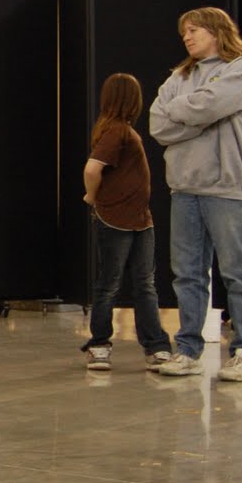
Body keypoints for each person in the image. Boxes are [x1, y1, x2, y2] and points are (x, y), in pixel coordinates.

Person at [148, 8, 242, 381]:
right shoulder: (179, 76)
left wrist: (191, 112)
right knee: (188, 274)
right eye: (184, 34)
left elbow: (209, 105)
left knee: (236, 271)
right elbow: (158, 124)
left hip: (229, 186)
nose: (188, 38)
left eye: (194, 30)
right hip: (185, 187)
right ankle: (188, 350)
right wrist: (197, 116)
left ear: (216, 31)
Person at [80, 73, 175, 372]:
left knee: (145, 284)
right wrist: (91, 197)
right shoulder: (116, 132)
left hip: (139, 220)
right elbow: (92, 168)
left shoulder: (122, 131)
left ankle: (156, 345)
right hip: (117, 220)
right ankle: (99, 344)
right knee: (109, 284)